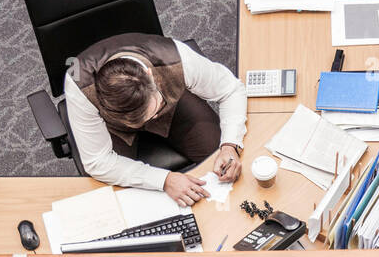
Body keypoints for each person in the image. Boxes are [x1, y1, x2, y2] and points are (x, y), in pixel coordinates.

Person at [64, 33, 248, 206]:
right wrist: (164, 180)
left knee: (224, 160)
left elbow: (231, 90)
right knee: (120, 200)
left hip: (173, 106)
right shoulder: (81, 86)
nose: (150, 121)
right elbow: (97, 162)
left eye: (153, 110)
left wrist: (230, 145)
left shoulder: (176, 58)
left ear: (150, 76)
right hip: (114, 128)